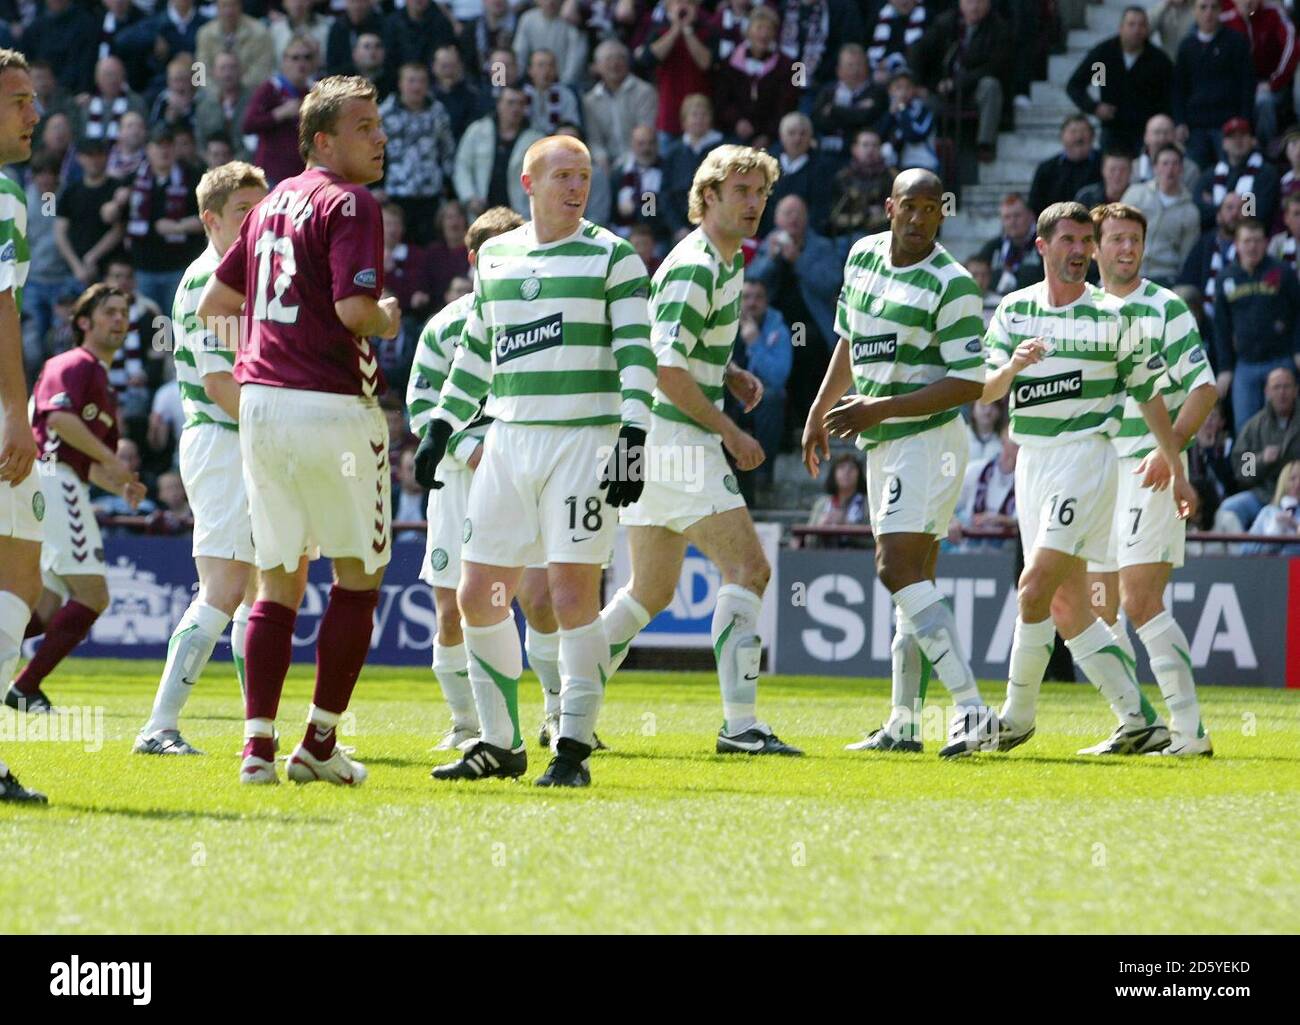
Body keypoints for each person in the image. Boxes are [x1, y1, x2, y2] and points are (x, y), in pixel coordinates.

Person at [416, 135, 657, 787]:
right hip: (509, 439)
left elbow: (638, 353)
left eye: (584, 175)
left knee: (570, 592)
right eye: (562, 176)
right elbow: (475, 351)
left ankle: (572, 747)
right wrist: (441, 423)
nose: (576, 187)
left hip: (585, 440)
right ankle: (500, 742)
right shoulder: (496, 256)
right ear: (529, 183)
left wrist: (634, 437)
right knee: (479, 594)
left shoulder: (614, 258)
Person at [198, 74, 401, 787]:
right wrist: (390, 314)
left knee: (277, 576)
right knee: (359, 573)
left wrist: (260, 355)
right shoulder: (351, 202)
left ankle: (255, 748)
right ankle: (318, 741)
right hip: (332, 406)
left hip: (262, 406)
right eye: (365, 127)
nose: (380, 138)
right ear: (323, 140)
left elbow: (214, 306)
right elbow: (353, 311)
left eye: (378, 125)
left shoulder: (273, 200)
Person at [597, 144, 800, 757]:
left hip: (648, 440)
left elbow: (682, 351)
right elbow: (665, 367)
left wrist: (730, 371)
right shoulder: (698, 265)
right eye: (742, 191)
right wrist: (731, 431)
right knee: (751, 570)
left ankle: (564, 707)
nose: (755, 203)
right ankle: (740, 727)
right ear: (706, 196)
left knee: (649, 592)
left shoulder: (726, 260)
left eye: (761, 193)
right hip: (672, 438)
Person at [979, 200, 1196, 756]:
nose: (1079, 251)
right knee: (1068, 607)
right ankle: (1138, 719)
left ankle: (1016, 715)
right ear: (1042, 247)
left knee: (1033, 587)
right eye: (1068, 241)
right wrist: (1012, 368)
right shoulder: (1012, 310)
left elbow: (1149, 395)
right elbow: (984, 390)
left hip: (1088, 459)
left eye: (1084, 242)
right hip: (1033, 461)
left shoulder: (1113, 317)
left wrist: (1173, 460)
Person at [803, 168, 998, 757]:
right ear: (889, 207)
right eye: (909, 206)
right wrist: (819, 410)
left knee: (895, 570)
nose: (919, 219)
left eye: (931, 209)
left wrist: (877, 408)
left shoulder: (953, 283)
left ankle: (972, 711)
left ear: (944, 213)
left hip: (928, 442)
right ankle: (905, 723)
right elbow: (849, 341)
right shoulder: (861, 258)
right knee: (914, 580)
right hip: (883, 439)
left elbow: (970, 382)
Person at [406, 205, 581, 752]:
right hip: (459, 482)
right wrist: (467, 447)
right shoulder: (445, 326)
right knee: (453, 609)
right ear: (477, 258)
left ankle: (558, 715)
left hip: (523, 472)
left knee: (539, 598)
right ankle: (466, 725)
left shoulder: (548, 315)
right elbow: (420, 406)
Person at [134, 160, 268, 757]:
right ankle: (158, 726)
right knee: (223, 587)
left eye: (262, 210)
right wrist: (279, 431)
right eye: (244, 211)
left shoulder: (250, 275)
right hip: (222, 442)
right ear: (209, 219)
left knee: (260, 587)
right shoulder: (206, 280)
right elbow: (219, 384)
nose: (257, 222)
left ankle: (255, 727)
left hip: (247, 441)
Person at [1084, 201, 1219, 757]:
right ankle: (1136, 722)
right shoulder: (1080, 310)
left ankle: (1191, 733)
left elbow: (1204, 387)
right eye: (1115, 239)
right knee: (1096, 604)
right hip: (1090, 470)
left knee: (1140, 600)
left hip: (1148, 466)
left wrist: (1173, 449)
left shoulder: (1165, 308)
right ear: (1093, 249)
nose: (1126, 249)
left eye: (1133, 239)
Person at [8, 285, 145, 713]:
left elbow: (90, 463)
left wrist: (120, 485)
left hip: (61, 481)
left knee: (44, 609)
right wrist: (113, 461)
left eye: (124, 312)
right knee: (93, 595)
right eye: (109, 312)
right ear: (84, 323)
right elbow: (61, 421)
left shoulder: (102, 380)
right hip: (53, 482)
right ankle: (24, 688)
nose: (119, 319)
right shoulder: (73, 363)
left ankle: (20, 686)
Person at [0, 49, 49, 804]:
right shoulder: (5, 194)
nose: (34, 113)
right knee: (20, 576)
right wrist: (16, 408)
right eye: (17, 101)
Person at [1213, 217, 1300, 428]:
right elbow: (1221, 328)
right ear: (1237, 244)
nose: (1252, 246)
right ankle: (1250, 463)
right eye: (1247, 241)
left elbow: (1298, 313)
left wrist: (1298, 350)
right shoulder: (1225, 278)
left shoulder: (1283, 272)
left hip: (1281, 361)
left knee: (1285, 426)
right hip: (1245, 366)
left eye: (1257, 240)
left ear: (1266, 243)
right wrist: (1225, 368)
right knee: (1246, 430)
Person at [909, 0, 1011, 163]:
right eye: (970, 2)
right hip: (941, 88)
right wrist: (917, 84)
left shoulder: (999, 28)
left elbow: (993, 67)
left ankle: (985, 143)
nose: (974, 7)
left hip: (974, 88)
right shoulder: (945, 23)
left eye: (980, 2)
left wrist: (957, 83)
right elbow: (918, 51)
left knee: (991, 86)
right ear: (961, 3)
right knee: (913, 98)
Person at [1065, 6, 1172, 158]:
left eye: (1141, 25)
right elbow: (1076, 85)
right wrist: (1094, 107)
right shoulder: (1104, 55)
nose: (1136, 30)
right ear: (1121, 28)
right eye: (1131, 24)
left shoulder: (1158, 60)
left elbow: (1171, 94)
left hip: (1145, 132)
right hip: (1113, 129)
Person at [377, 62, 456, 245]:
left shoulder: (438, 112)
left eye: (421, 81)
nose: (416, 86)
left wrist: (447, 183)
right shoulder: (385, 113)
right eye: (411, 81)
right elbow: (373, 150)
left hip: (431, 194)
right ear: (400, 83)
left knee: (429, 246)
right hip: (396, 193)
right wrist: (376, 186)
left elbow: (447, 150)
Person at [1171, 0, 1253, 170]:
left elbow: (1246, 85)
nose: (1208, 12)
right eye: (1203, 7)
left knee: (1232, 169)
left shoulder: (1236, 42)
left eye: (1213, 7)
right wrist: (1179, 122)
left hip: (1228, 124)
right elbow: (1178, 88)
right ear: (1194, 11)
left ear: (1220, 11)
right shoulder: (1186, 46)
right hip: (1195, 126)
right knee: (1192, 170)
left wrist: (1244, 122)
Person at [1215, 366, 1300, 531]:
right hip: (1264, 494)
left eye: (1286, 386)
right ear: (1267, 392)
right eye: (1276, 387)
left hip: (1297, 494)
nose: (1282, 392)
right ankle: (1238, 554)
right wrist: (1262, 460)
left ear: (1296, 390)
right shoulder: (1254, 427)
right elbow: (1244, 474)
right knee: (1229, 508)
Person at [452, 86, 544, 217]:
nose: (516, 108)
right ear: (499, 104)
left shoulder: (536, 139)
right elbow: (462, 166)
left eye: (521, 104)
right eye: (510, 103)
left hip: (520, 215)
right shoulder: (477, 131)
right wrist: (469, 197)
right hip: (481, 212)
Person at [242, 34, 318, 186]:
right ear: (284, 60)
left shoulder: (314, 91)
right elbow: (248, 124)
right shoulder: (270, 88)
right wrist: (278, 114)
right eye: (295, 58)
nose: (301, 63)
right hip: (271, 175)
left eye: (307, 57)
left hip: (302, 175)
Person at [1119, 143, 1199, 285]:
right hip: (1130, 268)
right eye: (1165, 163)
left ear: (1181, 169)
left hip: (1165, 276)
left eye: (1175, 164)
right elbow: (1117, 231)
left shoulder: (1190, 212)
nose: (1170, 169)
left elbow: (1186, 255)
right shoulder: (1135, 194)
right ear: (1155, 167)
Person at [735, 277, 792, 474]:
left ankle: (763, 476)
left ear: (766, 301)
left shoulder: (780, 330)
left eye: (758, 297)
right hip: (729, 399)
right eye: (746, 297)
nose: (752, 303)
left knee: (773, 398)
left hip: (761, 400)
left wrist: (755, 343)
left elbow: (778, 377)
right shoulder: (723, 326)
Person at [583, 39, 658, 169]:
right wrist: (602, 160)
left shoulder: (644, 92)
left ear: (627, 62)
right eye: (608, 59)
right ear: (597, 66)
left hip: (640, 159)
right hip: (606, 165)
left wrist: (625, 163)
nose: (614, 63)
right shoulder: (590, 100)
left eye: (620, 58)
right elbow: (594, 140)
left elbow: (647, 131)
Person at [948, 421, 1017, 550]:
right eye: (1014, 442)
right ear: (1003, 440)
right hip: (968, 551)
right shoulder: (976, 470)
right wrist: (952, 522)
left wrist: (1002, 520)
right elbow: (947, 505)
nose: (1017, 447)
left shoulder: (1028, 481)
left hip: (1007, 555)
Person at [195, 0, 276, 91]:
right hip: (213, 95)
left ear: (241, 6)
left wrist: (236, 92)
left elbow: (262, 71)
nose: (228, 11)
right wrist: (218, 94)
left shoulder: (260, 32)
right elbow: (201, 71)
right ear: (217, 8)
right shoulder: (205, 33)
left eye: (233, 5)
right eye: (224, 6)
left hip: (250, 93)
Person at [1028, 115, 1101, 216]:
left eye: (1084, 131)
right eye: (1073, 132)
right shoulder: (1047, 169)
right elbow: (1034, 206)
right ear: (1062, 136)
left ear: (1092, 136)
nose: (1079, 137)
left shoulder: (1104, 164)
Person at [976, 193, 1044, 299]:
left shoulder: (1044, 245)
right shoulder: (993, 247)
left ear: (1031, 216)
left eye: (1017, 215)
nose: (1012, 222)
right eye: (1007, 217)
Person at [805, 453, 868, 548]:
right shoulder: (822, 504)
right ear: (833, 474)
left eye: (852, 468)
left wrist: (845, 524)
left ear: (859, 474)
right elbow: (809, 541)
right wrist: (820, 527)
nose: (847, 472)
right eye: (841, 467)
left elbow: (875, 541)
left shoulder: (868, 504)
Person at [1243, 459, 1300, 553]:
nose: (1298, 484)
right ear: (1284, 482)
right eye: (1292, 478)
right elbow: (1247, 551)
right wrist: (1276, 529)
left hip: (1295, 566)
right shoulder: (1268, 512)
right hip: (1269, 566)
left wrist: (1295, 526)